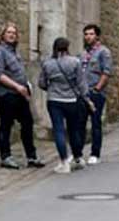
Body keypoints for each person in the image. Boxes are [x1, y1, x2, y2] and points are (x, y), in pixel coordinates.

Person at [0, 22, 43, 169]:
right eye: (9, 32)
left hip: (19, 94)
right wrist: (17, 87)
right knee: (6, 124)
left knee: (27, 122)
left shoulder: (15, 53)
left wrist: (26, 87)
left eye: (14, 33)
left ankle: (31, 156)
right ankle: (6, 157)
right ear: (2, 36)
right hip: (5, 93)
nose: (12, 35)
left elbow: (19, 73)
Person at [39, 37, 91, 173]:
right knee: (74, 130)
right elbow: (81, 83)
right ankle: (78, 157)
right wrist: (85, 97)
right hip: (71, 100)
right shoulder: (75, 62)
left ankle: (64, 161)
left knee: (59, 130)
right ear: (67, 47)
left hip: (54, 100)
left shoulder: (47, 64)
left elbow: (42, 83)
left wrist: (52, 87)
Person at [81, 23, 113, 163]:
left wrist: (97, 89)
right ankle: (78, 153)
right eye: (86, 34)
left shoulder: (103, 52)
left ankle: (95, 154)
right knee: (80, 124)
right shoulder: (82, 53)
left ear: (97, 36)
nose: (88, 36)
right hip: (82, 93)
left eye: (91, 34)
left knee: (95, 123)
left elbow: (106, 72)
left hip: (95, 92)